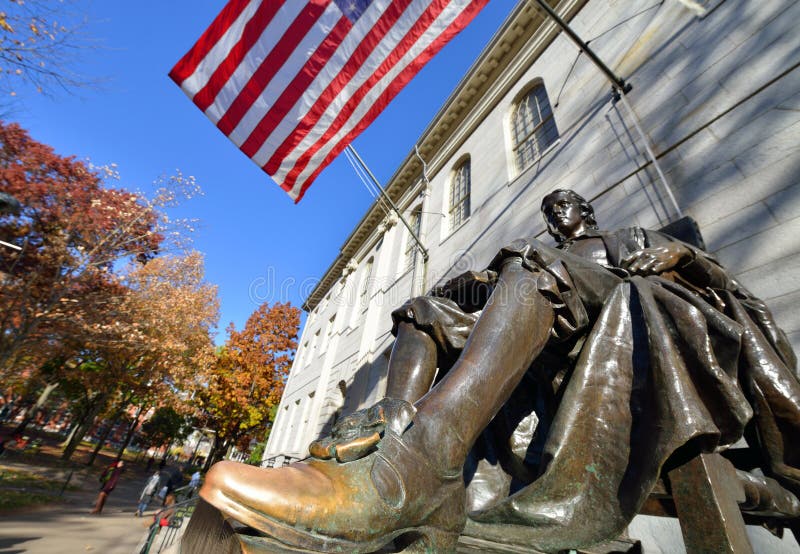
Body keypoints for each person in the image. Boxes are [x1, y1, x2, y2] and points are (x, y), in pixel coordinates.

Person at [194, 190, 800, 553]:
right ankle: (396, 440)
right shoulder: (539, 257)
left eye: (564, 204)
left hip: (623, 337)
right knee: (424, 310)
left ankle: (418, 472)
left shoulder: (624, 240)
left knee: (534, 264)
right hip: (552, 346)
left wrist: (684, 254)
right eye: (550, 209)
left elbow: (718, 289)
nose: (556, 213)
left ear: (584, 211)